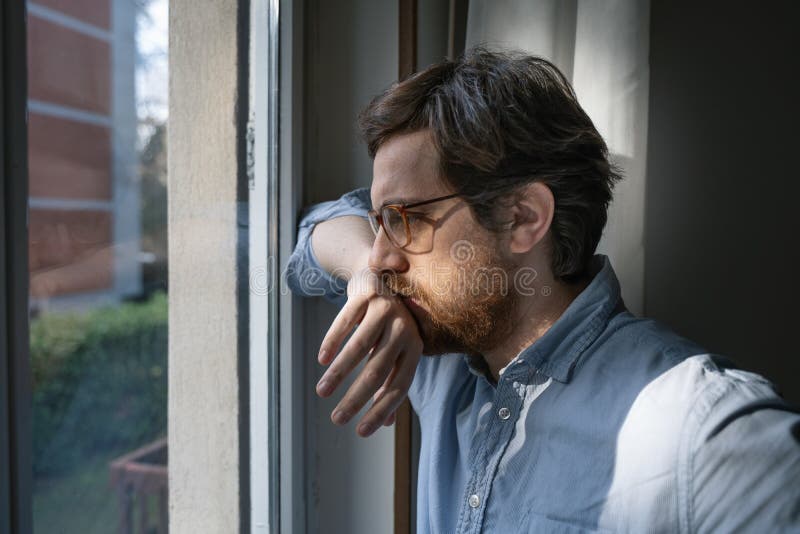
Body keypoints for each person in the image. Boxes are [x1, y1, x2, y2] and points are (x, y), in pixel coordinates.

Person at [286, 47, 800, 533]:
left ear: (524, 217)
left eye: (406, 219)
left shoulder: (702, 430)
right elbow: (314, 232)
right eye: (378, 222)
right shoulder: (433, 346)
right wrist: (364, 276)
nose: (382, 256)